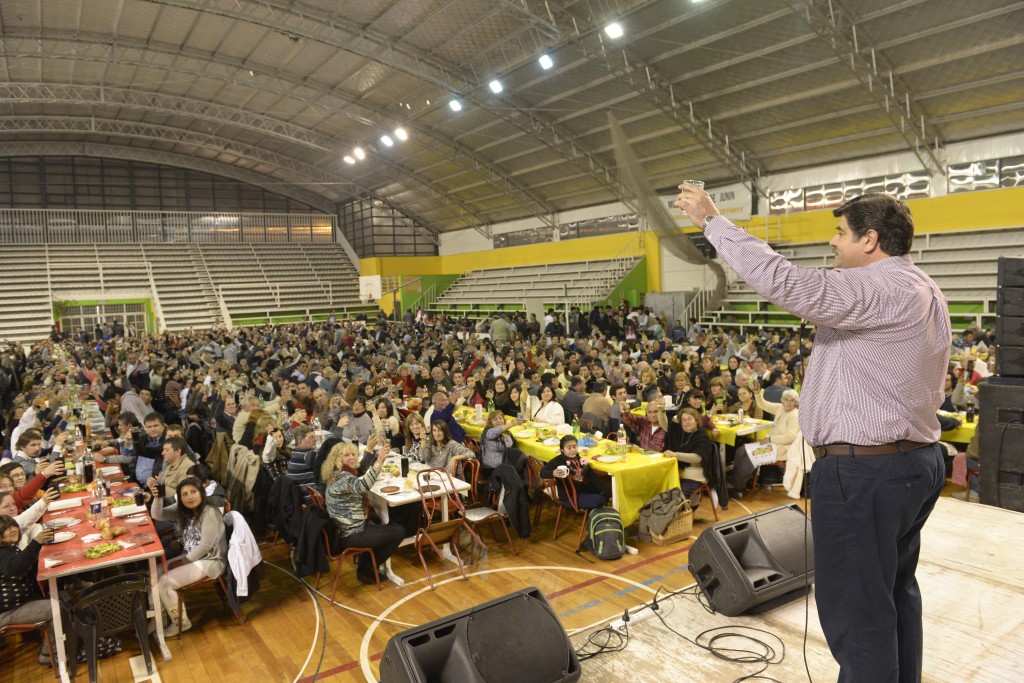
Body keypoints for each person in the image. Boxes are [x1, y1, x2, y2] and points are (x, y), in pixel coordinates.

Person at [676, 186, 949, 683]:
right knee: (891, 594)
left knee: (857, 614)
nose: (832, 242)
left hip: (864, 471)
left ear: (870, 241)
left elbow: (783, 280)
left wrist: (713, 221)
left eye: (840, 233)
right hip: (913, 462)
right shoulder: (924, 288)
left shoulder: (876, 288)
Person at [149, 476, 227, 636]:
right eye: (184, 494)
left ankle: (181, 623)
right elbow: (158, 515)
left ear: (202, 492)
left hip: (211, 560)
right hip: (192, 557)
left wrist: (183, 561)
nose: (189, 497)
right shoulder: (183, 509)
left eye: (193, 492)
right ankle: (160, 618)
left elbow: (205, 546)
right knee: (154, 573)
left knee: (165, 582)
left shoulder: (209, 511)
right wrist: (157, 498)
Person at [322, 442, 404, 584]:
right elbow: (363, 485)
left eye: (353, 454)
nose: (352, 457)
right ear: (337, 459)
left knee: (382, 519)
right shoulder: (343, 479)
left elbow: (360, 480)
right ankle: (366, 569)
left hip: (344, 528)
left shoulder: (336, 475)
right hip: (350, 534)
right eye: (346, 455)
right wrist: (379, 461)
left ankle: (368, 563)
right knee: (399, 531)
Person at [0, 515, 55, 666]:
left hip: (18, 604)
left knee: (59, 599)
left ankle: (59, 648)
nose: (12, 529)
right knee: (56, 609)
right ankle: (48, 654)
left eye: (13, 525)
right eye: (5, 528)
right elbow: (16, 568)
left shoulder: (9, 549)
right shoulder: (2, 553)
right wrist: (36, 542)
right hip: (6, 613)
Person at [662, 407, 720, 507]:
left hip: (696, 475)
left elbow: (697, 458)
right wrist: (660, 411)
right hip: (680, 472)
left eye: (689, 419)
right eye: (683, 420)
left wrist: (676, 455)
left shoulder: (702, 436)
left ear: (696, 420)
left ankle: (685, 509)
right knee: (661, 489)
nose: (686, 422)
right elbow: (664, 424)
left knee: (675, 496)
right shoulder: (680, 434)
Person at [539, 435, 610, 508]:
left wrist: (608, 493)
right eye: (569, 448)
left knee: (604, 492)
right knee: (601, 499)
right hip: (568, 496)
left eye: (575, 447)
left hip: (580, 490)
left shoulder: (580, 460)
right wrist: (553, 473)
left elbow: (593, 478)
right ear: (562, 450)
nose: (573, 450)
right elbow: (541, 473)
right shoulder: (558, 461)